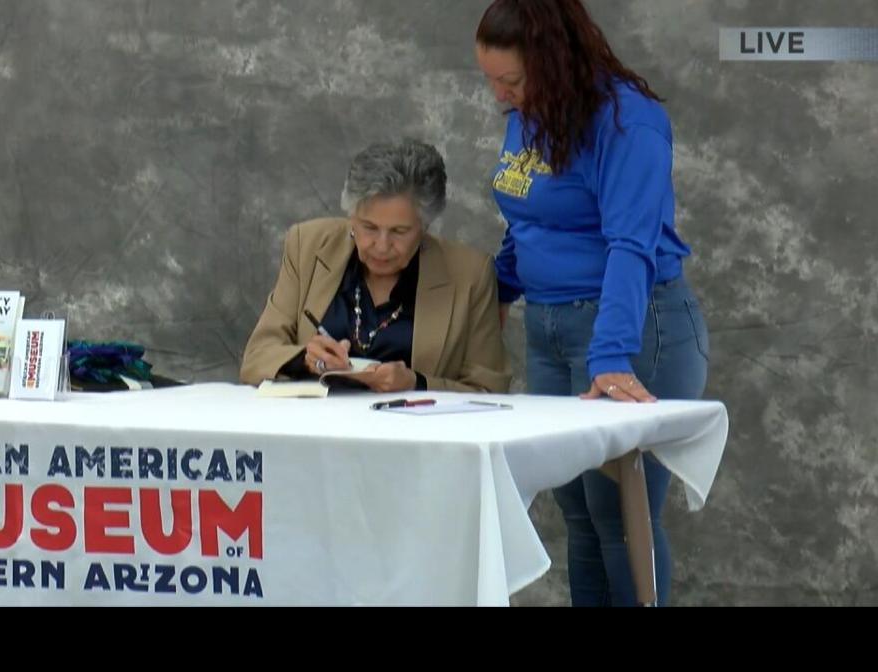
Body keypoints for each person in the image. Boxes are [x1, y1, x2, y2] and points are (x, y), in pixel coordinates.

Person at [475, 0, 710, 606]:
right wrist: (499, 291)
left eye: (513, 81)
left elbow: (631, 243)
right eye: (492, 80)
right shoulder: (531, 114)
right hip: (550, 329)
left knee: (619, 512)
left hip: (628, 326)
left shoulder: (628, 122)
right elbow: (527, 216)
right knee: (576, 511)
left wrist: (610, 355)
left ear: (555, 62)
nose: (503, 95)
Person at [241, 139, 510, 393]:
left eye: (399, 231)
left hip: (414, 435)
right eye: (368, 227)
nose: (381, 246)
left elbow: (488, 389)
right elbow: (257, 356)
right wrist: (304, 359)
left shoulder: (470, 273)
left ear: (425, 226)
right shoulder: (308, 246)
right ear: (351, 216)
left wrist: (418, 384)